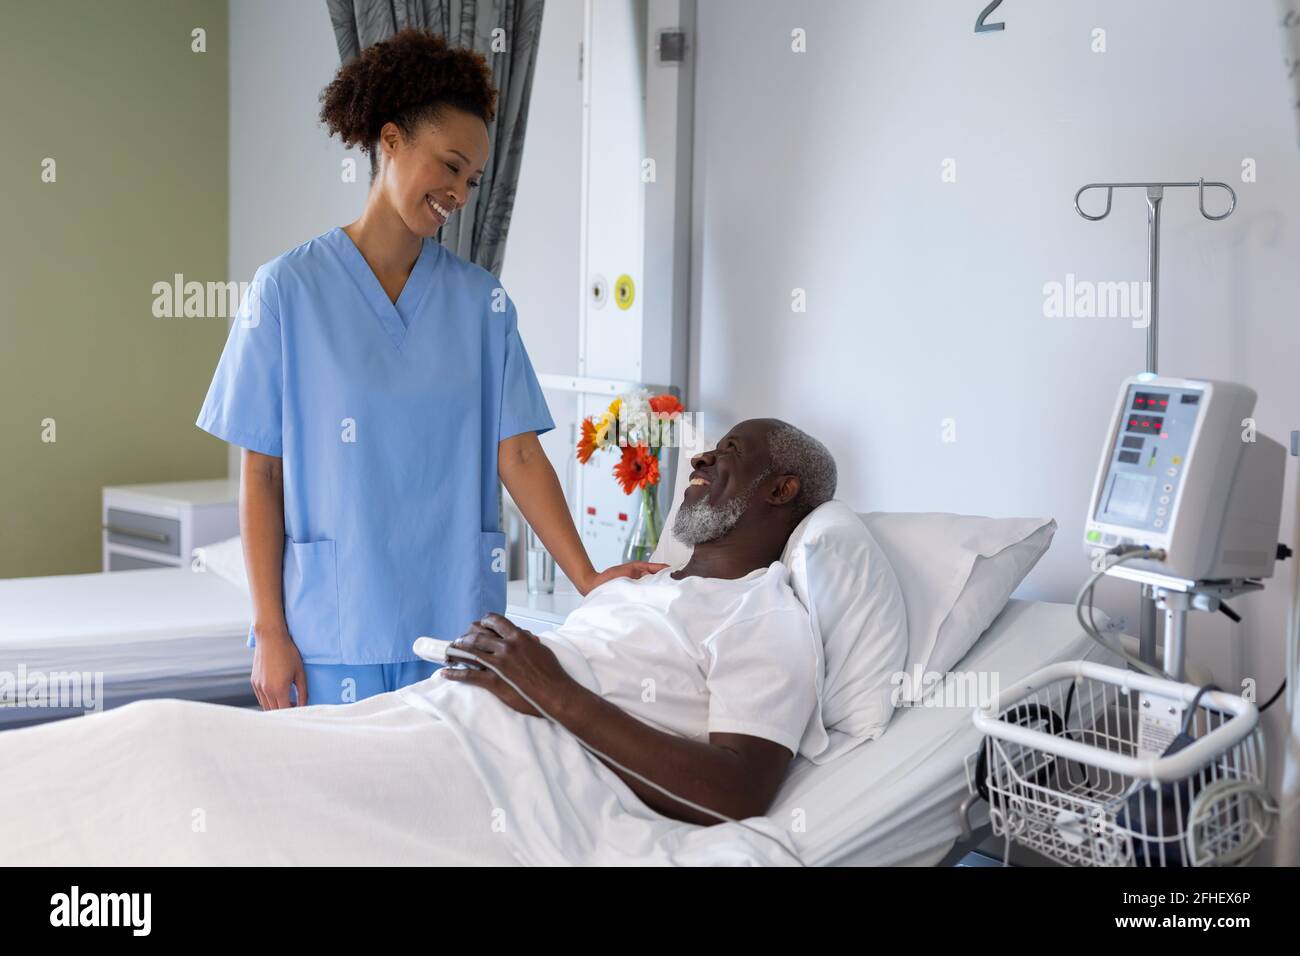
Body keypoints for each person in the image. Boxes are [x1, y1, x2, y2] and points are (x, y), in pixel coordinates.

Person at [196, 28, 661, 711]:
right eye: (448, 166)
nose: (460, 194)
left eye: (473, 179)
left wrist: (587, 576)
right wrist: (269, 629)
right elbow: (261, 474)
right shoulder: (287, 291)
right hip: (334, 629)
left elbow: (521, 455)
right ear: (390, 141)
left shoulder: (481, 304)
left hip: (458, 630)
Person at [441, 418, 838, 823]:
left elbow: (737, 793)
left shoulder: (762, 614)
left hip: (502, 766)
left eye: (731, 451)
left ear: (780, 490)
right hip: (449, 714)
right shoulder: (635, 583)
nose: (701, 458)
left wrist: (550, 688)